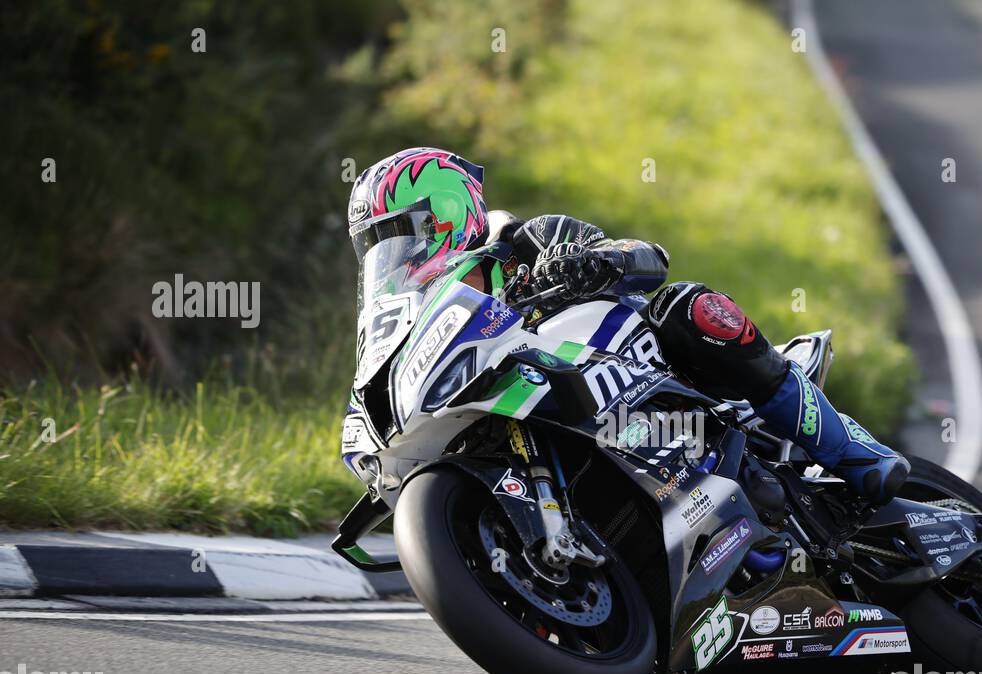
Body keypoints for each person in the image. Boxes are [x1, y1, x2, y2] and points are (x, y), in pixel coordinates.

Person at [347, 147, 909, 505]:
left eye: (404, 231)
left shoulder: (521, 241)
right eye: (379, 244)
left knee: (691, 308)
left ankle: (855, 452)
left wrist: (593, 261)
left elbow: (648, 256)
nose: (395, 252)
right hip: (549, 413)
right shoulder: (424, 314)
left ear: (444, 211)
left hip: (636, 369)